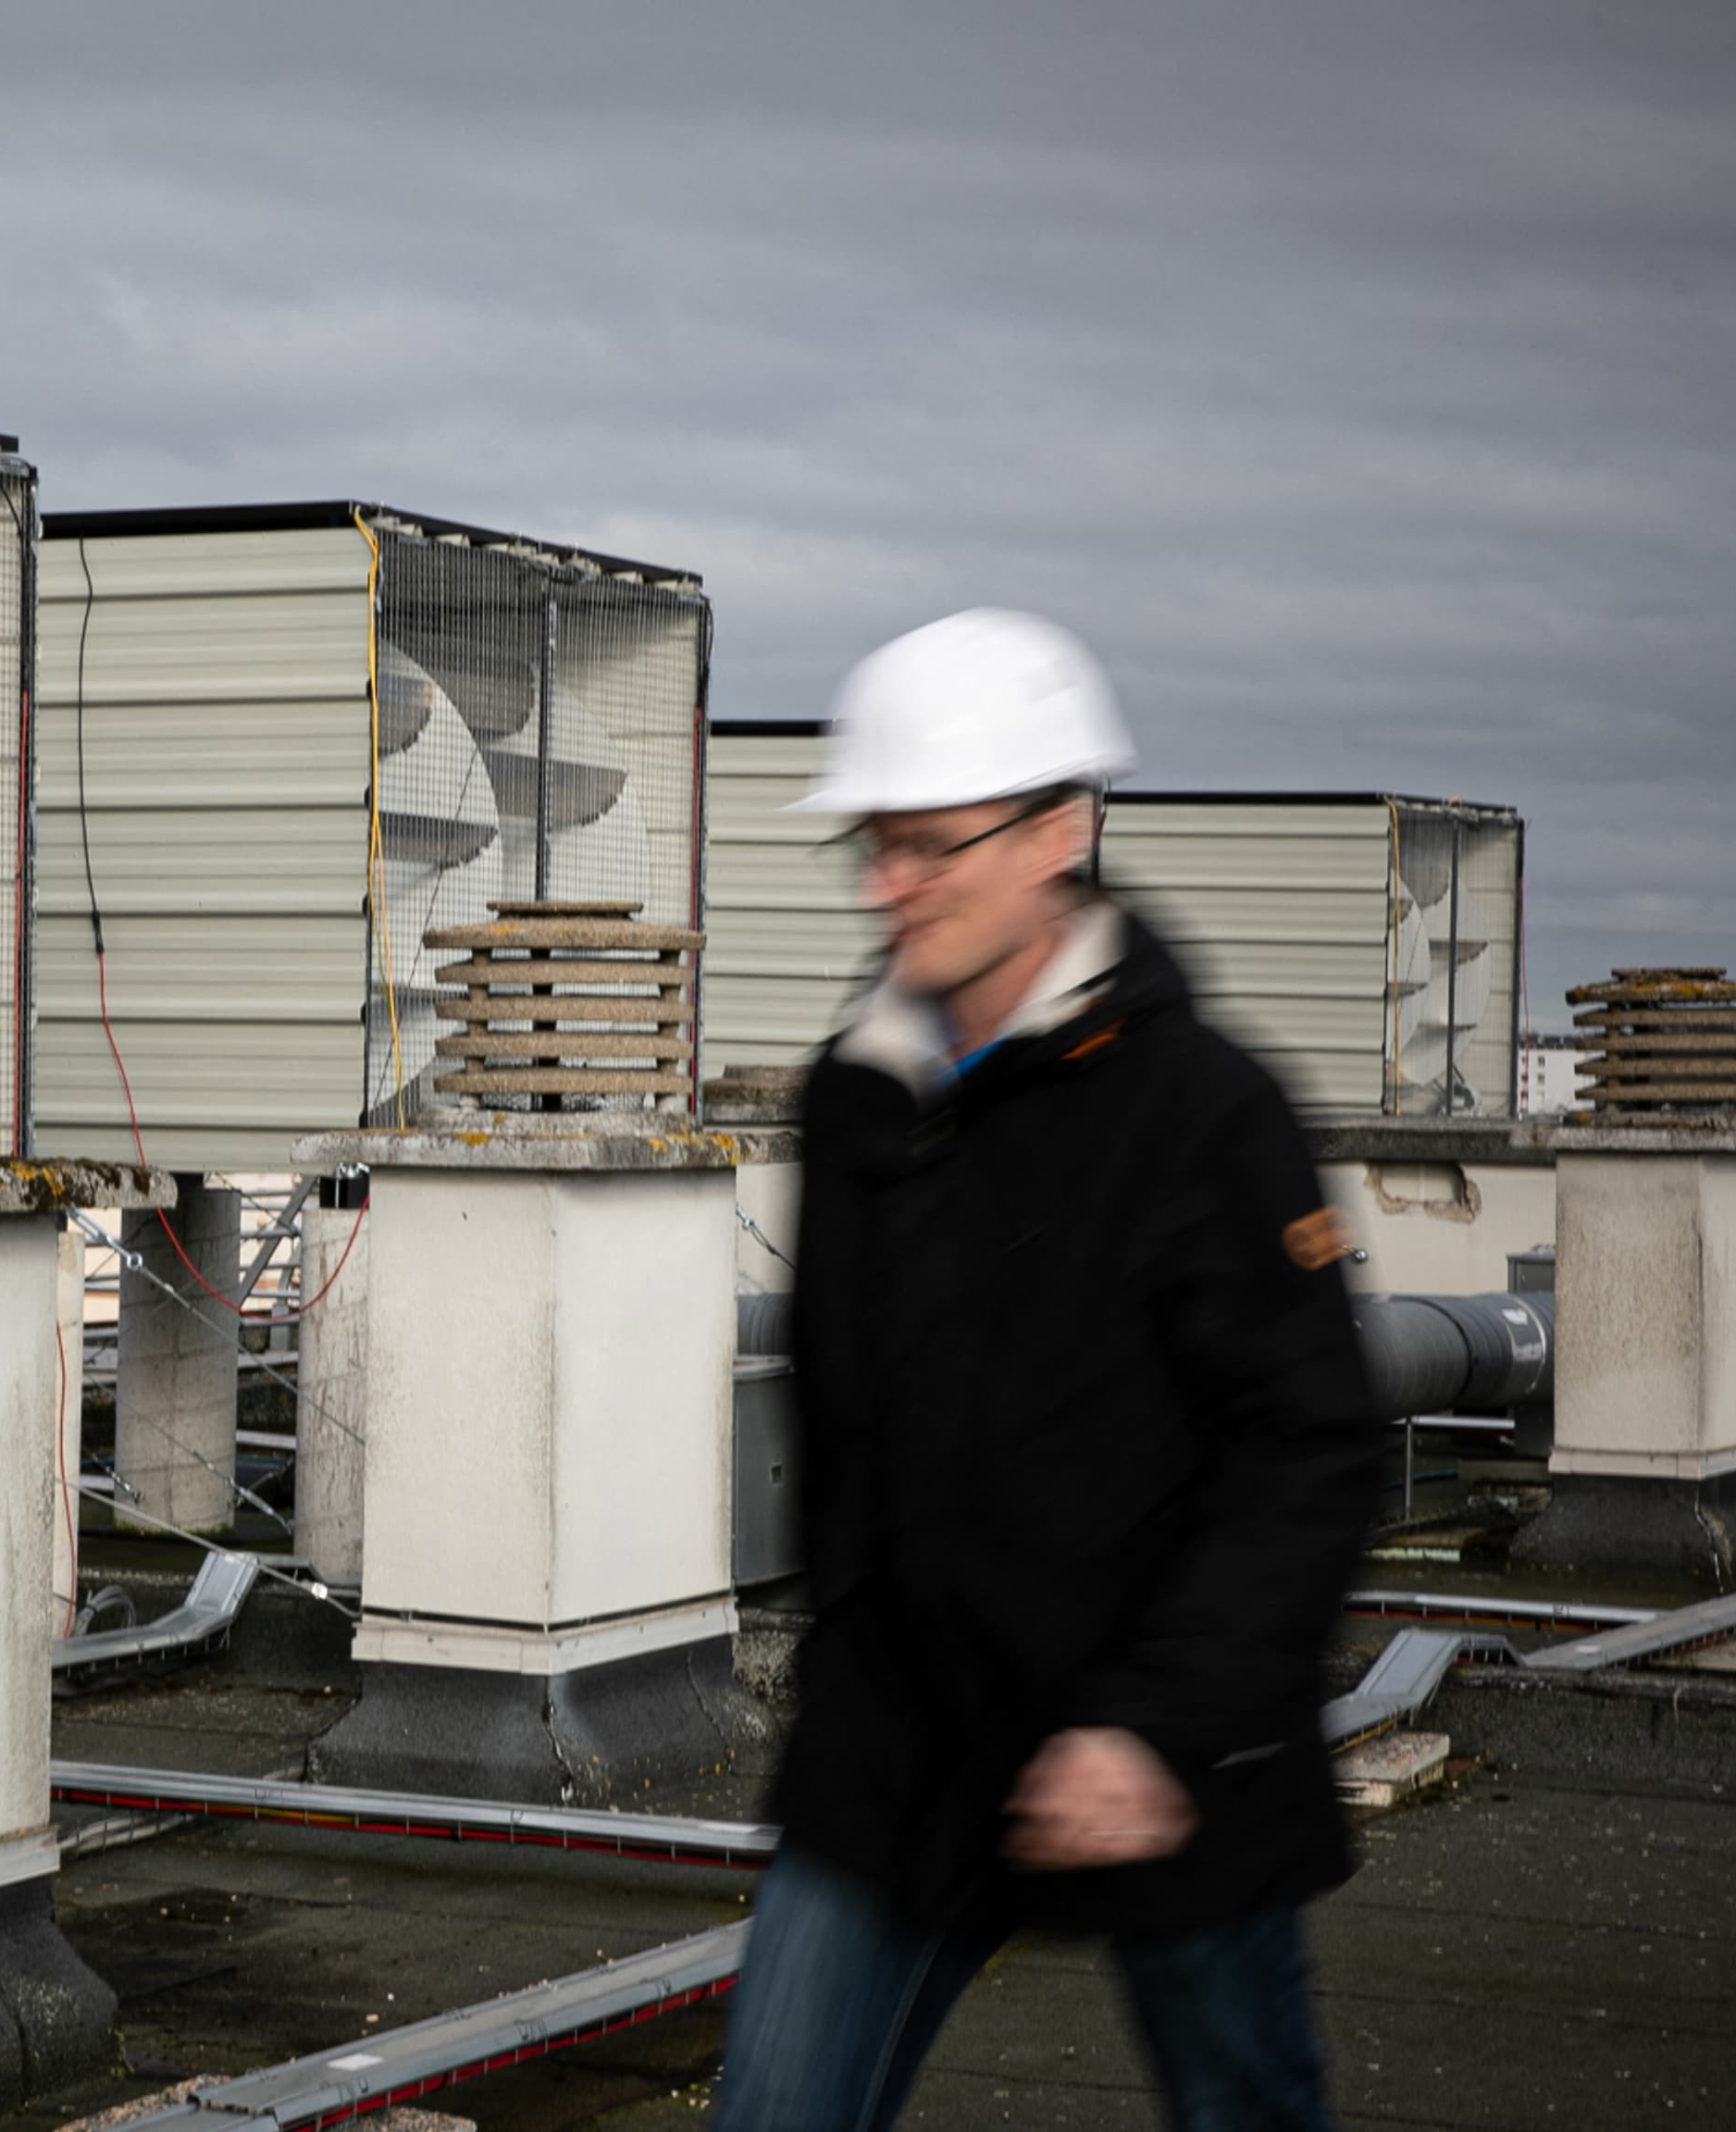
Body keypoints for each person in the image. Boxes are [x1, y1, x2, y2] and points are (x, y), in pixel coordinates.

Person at [714, 611, 1382, 2132]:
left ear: (1060, 831)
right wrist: (848, 1670)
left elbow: (1309, 1451)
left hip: (1158, 1746)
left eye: (933, 846)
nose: (892, 886)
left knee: (1246, 2109)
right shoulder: (862, 1100)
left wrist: (1157, 1725)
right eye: (876, 846)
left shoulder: (1204, 1116)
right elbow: (848, 1426)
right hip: (898, 1754)